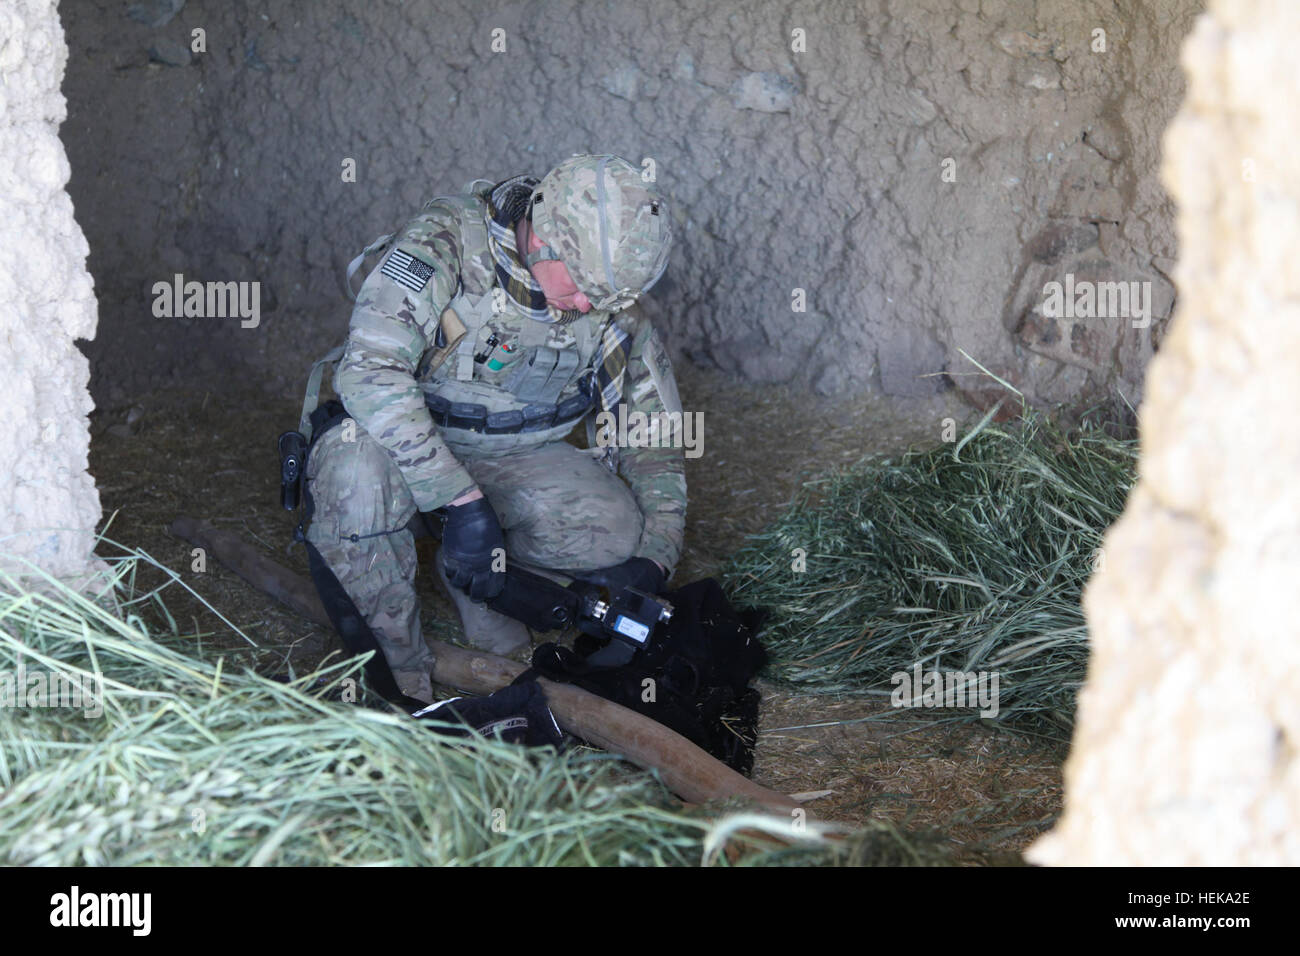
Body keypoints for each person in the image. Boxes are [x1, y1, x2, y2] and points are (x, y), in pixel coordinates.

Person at [298, 154, 686, 705]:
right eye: (580, 290)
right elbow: (368, 371)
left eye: (602, 299)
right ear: (542, 238)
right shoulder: (447, 242)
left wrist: (656, 555)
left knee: (615, 533)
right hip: (399, 446)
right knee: (354, 478)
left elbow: (654, 434)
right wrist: (457, 499)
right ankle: (393, 676)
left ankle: (472, 576)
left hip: (513, 453)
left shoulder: (603, 292)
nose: (585, 308)